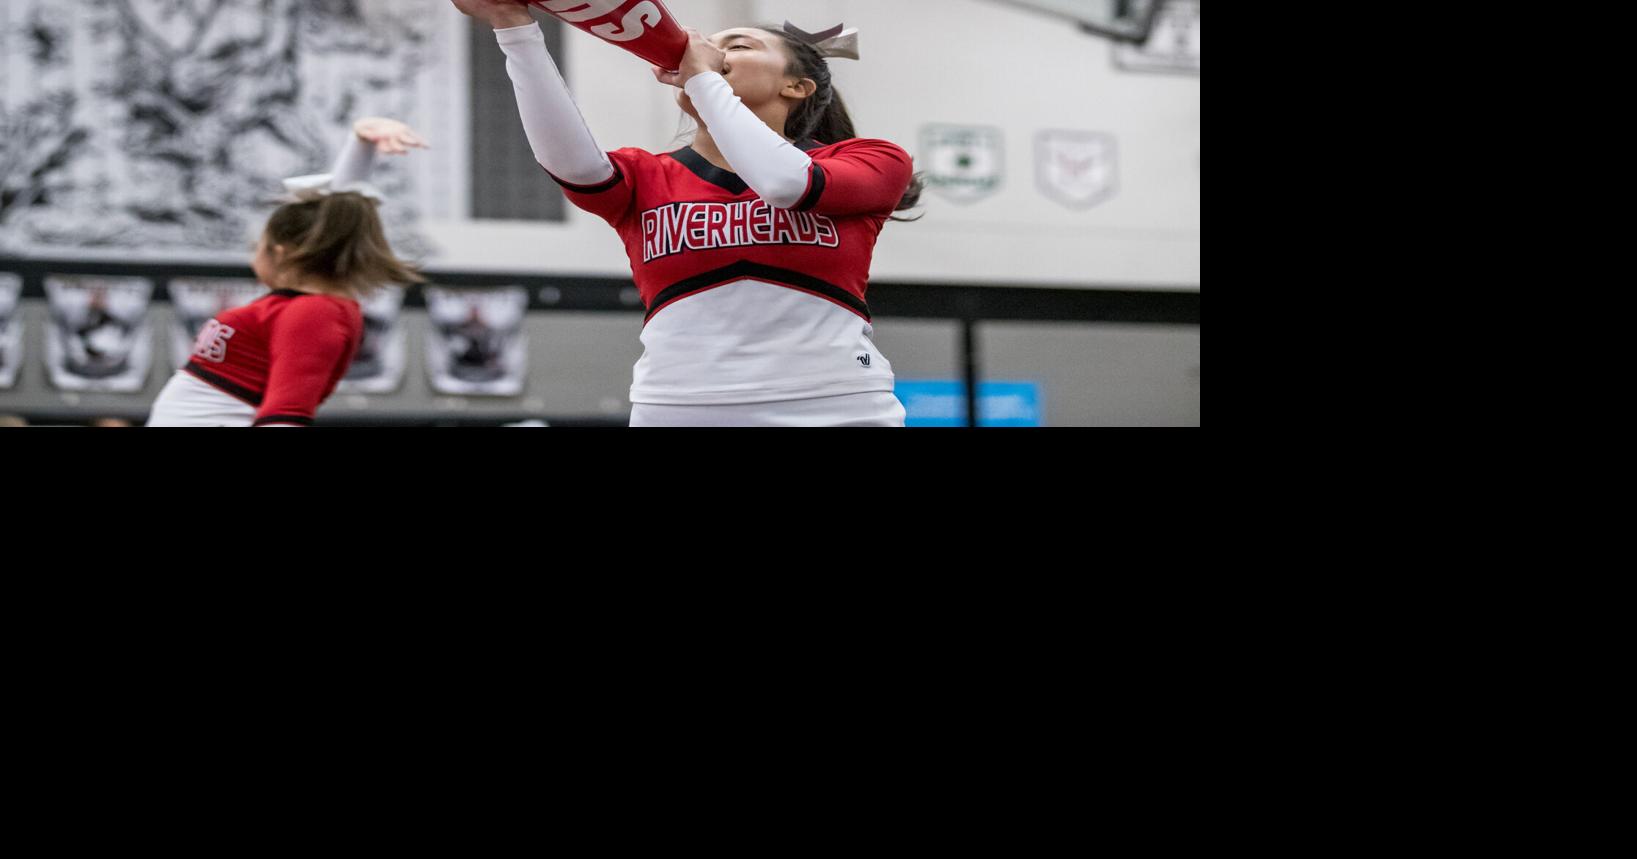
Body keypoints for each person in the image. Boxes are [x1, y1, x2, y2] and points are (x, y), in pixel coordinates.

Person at [456, 1, 922, 427]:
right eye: (703, 47)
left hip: (834, 402)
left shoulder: (870, 159)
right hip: (679, 405)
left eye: (737, 46)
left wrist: (702, 77)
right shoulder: (645, 176)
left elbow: (785, 184)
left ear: (796, 86)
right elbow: (567, 162)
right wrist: (514, 27)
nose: (704, 53)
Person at [146, 118, 428, 427]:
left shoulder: (314, 313)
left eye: (258, 245)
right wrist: (361, 146)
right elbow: (334, 214)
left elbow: (287, 414)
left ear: (282, 252)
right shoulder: (298, 308)